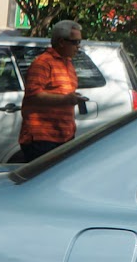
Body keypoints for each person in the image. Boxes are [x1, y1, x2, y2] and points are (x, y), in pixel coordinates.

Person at [18, 20, 88, 162]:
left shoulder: (67, 63)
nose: (78, 47)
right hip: (42, 138)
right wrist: (65, 99)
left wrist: (72, 98)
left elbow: (63, 92)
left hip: (64, 136)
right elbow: (33, 95)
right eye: (75, 42)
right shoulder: (43, 63)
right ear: (62, 42)